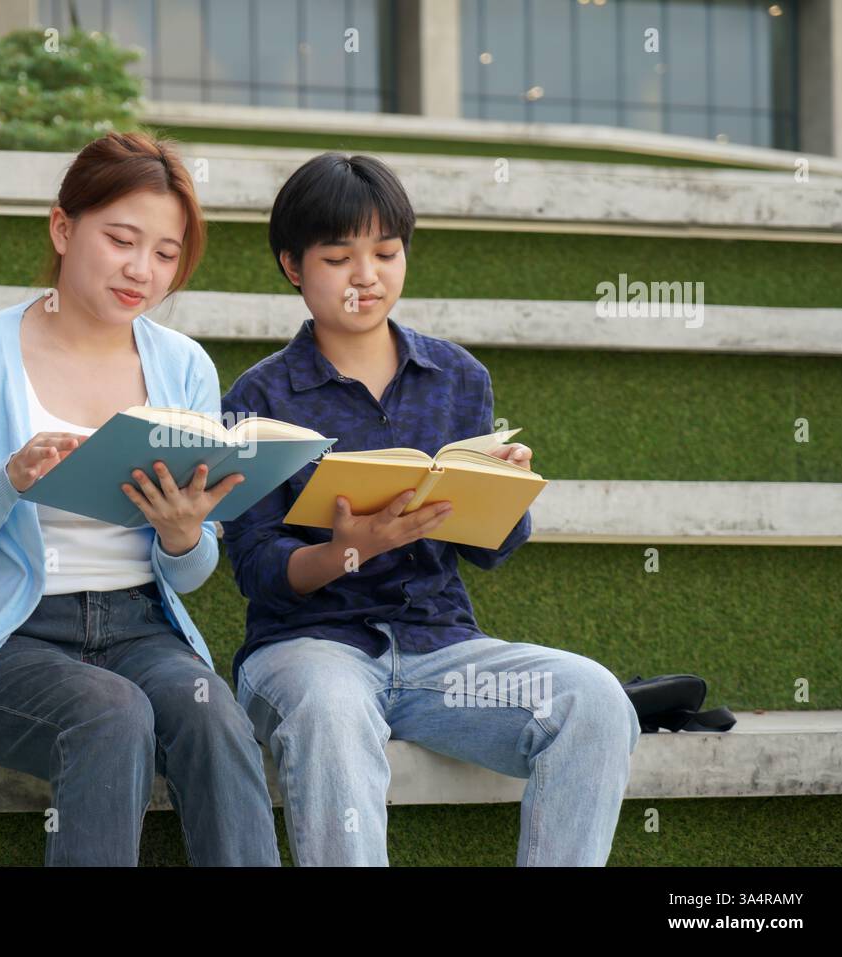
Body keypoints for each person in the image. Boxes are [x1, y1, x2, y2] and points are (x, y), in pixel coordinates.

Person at [220, 152, 642, 866]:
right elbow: (257, 569)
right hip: (308, 649)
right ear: (293, 265)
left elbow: (491, 548)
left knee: (595, 699)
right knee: (329, 709)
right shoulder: (258, 397)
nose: (367, 275)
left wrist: (502, 491)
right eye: (338, 256)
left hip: (439, 649)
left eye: (387, 252)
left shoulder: (457, 377)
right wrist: (349, 547)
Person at [0, 131, 280, 866]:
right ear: (63, 226)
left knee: (216, 719)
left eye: (166, 253)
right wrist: (7, 480)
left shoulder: (184, 367)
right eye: (121, 239)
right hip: (11, 642)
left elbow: (192, 572)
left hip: (143, 629)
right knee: (111, 714)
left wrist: (180, 536)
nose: (143, 269)